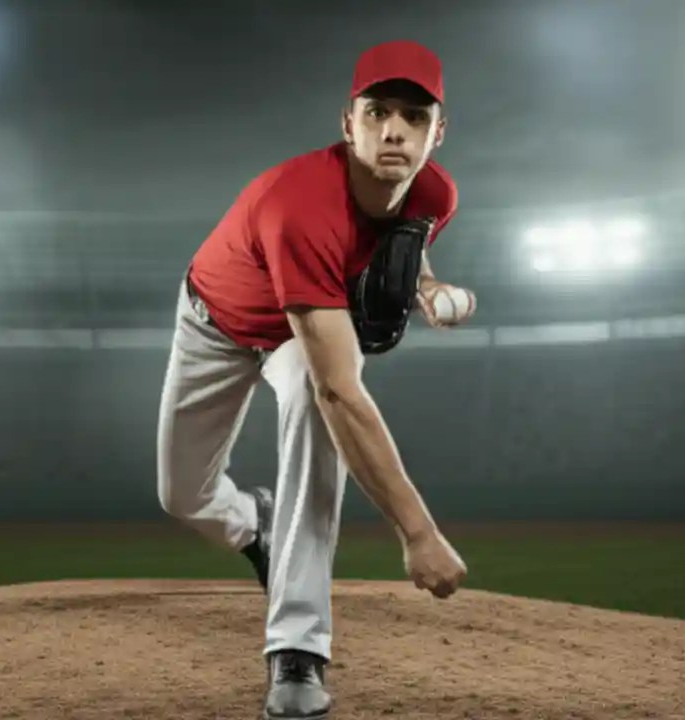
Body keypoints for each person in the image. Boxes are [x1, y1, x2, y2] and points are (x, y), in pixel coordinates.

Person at [156, 39, 474, 720]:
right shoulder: (298, 204)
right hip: (218, 321)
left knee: (309, 394)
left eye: (415, 117)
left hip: (299, 332)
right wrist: (418, 532)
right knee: (183, 495)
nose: (395, 129)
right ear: (347, 122)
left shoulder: (436, 193)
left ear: (437, 132)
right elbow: (343, 391)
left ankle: (297, 650)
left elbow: (402, 244)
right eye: (379, 111)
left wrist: (426, 282)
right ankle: (253, 526)